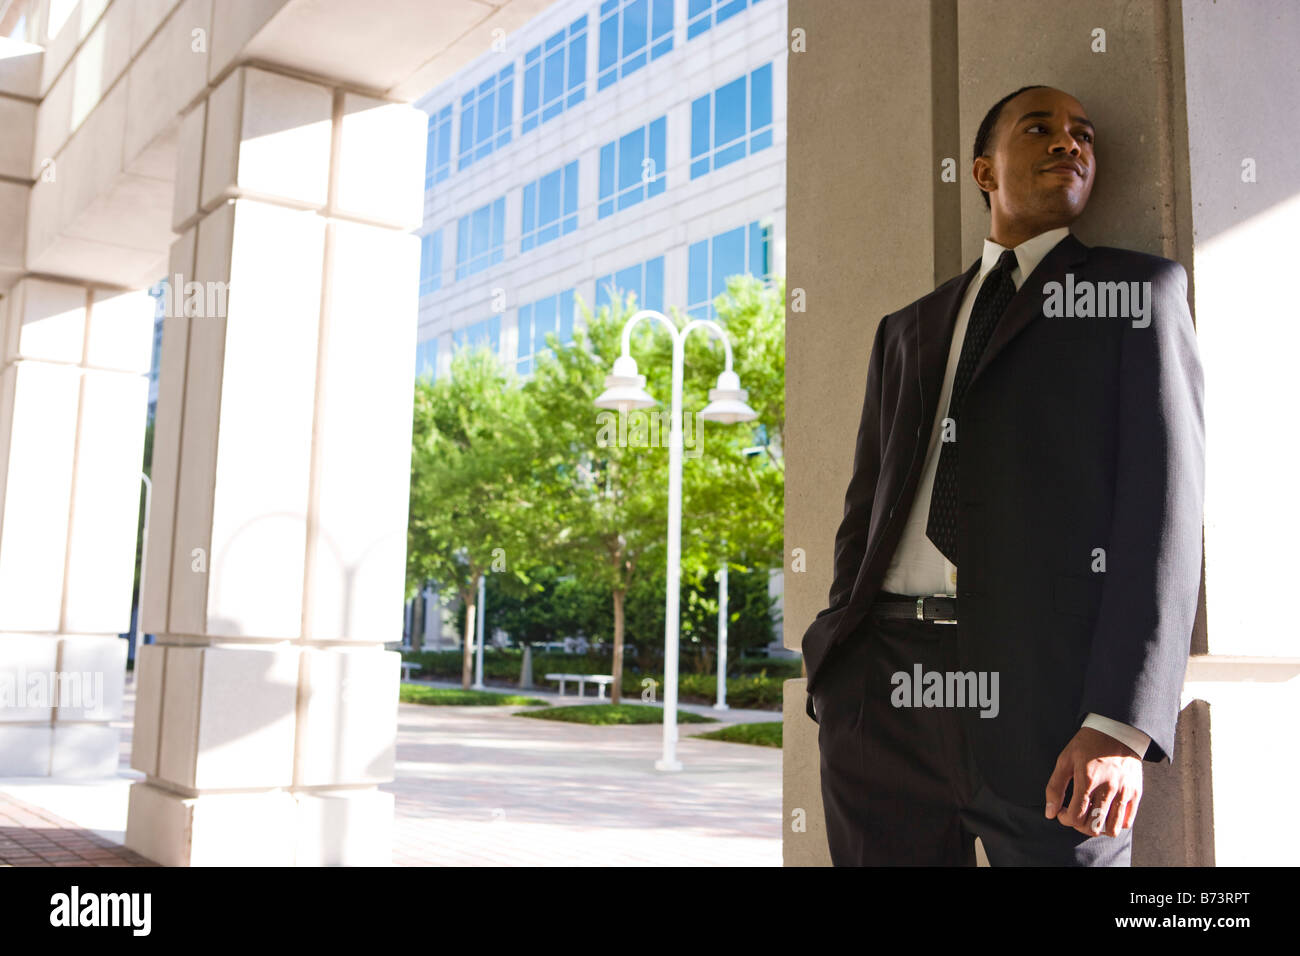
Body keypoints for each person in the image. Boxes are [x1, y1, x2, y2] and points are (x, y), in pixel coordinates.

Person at [801, 85, 1205, 866]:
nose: (1070, 143)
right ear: (983, 170)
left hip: (1051, 708)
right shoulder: (908, 328)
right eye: (1041, 128)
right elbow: (867, 508)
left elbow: (1164, 515)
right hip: (881, 700)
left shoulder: (1138, 294)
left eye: (1083, 134)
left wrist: (1122, 722)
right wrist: (836, 665)